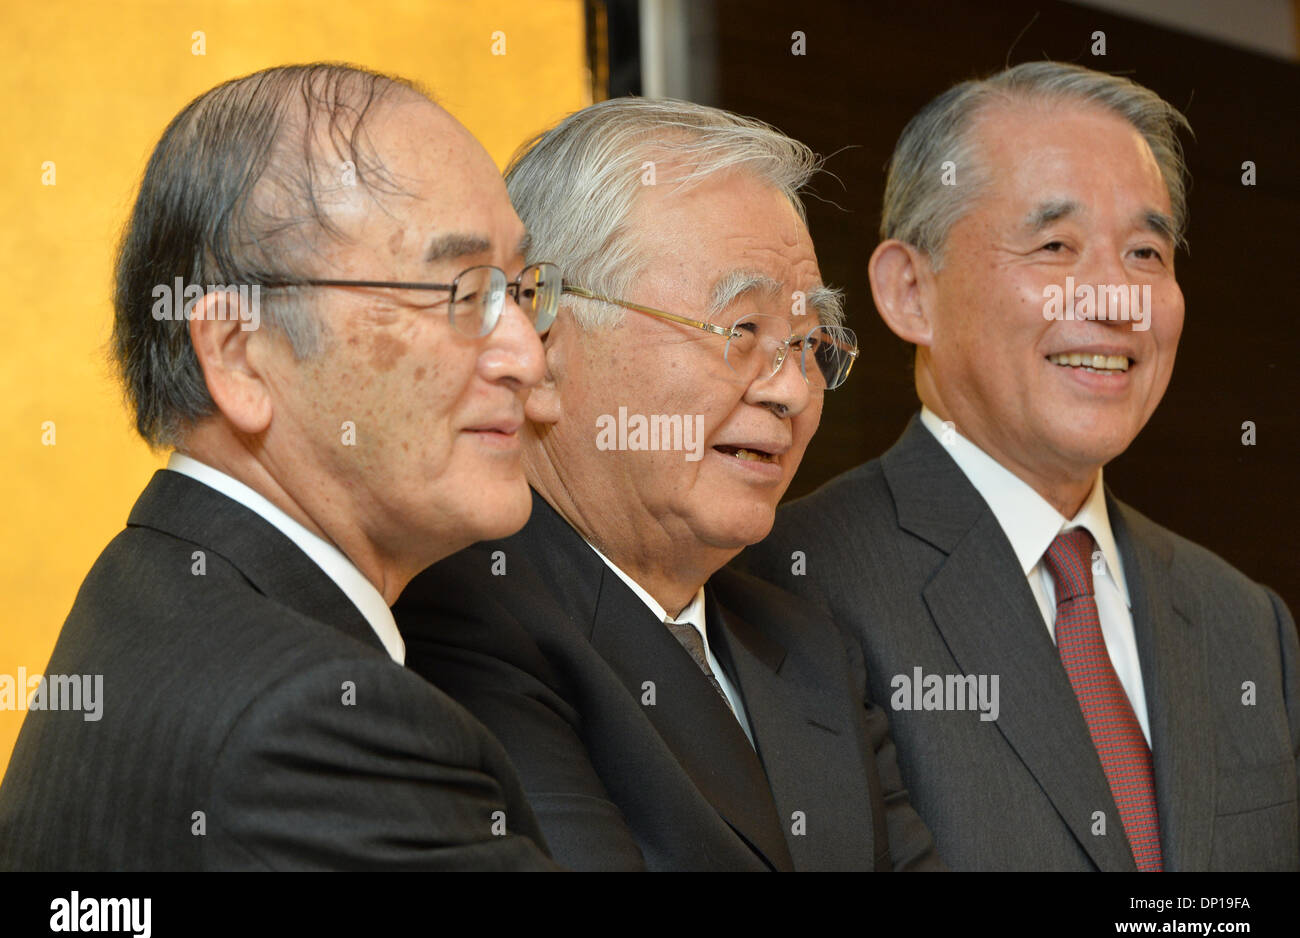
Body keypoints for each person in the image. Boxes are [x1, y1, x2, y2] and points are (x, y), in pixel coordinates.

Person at [0, 63, 561, 870]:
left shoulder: (154, 589)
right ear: (240, 355)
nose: (523, 354)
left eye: (521, 289)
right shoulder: (315, 730)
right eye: (461, 291)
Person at [741, 61, 1299, 870]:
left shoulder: (1245, 623)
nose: (1116, 299)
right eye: (1055, 245)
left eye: (1146, 253)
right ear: (910, 292)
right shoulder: (796, 586)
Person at [394, 98, 940, 871]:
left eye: (810, 342)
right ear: (543, 337)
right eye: (741, 332)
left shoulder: (806, 643)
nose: (790, 389)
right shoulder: (462, 617)